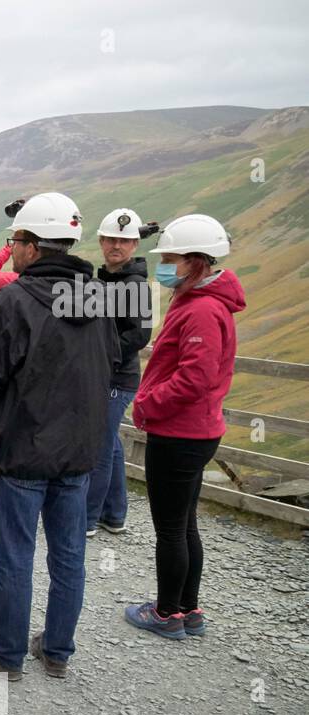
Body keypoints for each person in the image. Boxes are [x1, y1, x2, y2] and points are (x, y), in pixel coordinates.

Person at [0, 193, 119, 682]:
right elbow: (111, 364)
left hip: (24, 452)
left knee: (15, 555)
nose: (15, 249)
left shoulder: (14, 301)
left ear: (30, 245)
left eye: (16, 241)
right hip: (78, 453)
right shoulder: (99, 298)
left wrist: (0, 421)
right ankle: (56, 650)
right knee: (70, 555)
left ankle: (5, 654)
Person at [125, 214, 242, 641]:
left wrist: (147, 405)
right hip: (196, 431)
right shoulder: (201, 304)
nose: (165, 265)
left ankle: (166, 613)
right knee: (185, 523)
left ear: (195, 262)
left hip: (180, 433)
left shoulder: (202, 310)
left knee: (171, 529)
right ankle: (189, 610)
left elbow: (195, 377)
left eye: (171, 258)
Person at [86, 208, 154, 537]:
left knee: (99, 442)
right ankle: (114, 515)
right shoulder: (103, 280)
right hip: (108, 374)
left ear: (135, 245)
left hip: (117, 377)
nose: (117, 245)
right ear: (101, 241)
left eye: (124, 241)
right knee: (110, 442)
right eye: (111, 239)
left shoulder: (136, 284)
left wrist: (102, 357)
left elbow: (140, 335)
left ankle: (86, 518)